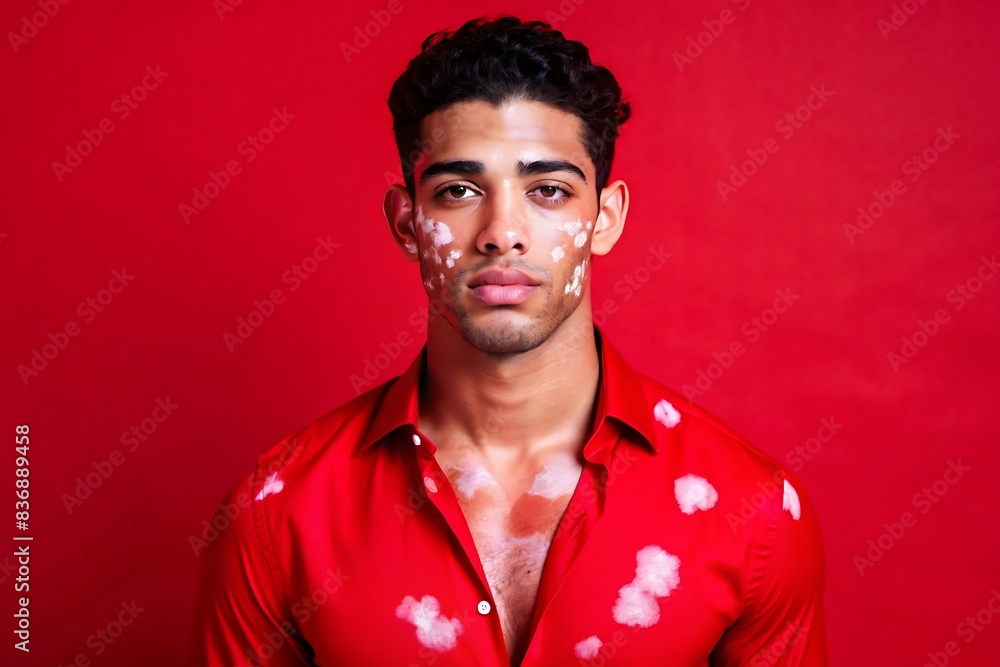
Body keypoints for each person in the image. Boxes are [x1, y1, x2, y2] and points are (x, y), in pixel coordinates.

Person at [188, 15, 827, 666]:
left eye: (547, 190)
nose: (501, 232)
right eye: (459, 190)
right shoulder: (279, 512)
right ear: (407, 221)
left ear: (604, 218)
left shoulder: (753, 513)